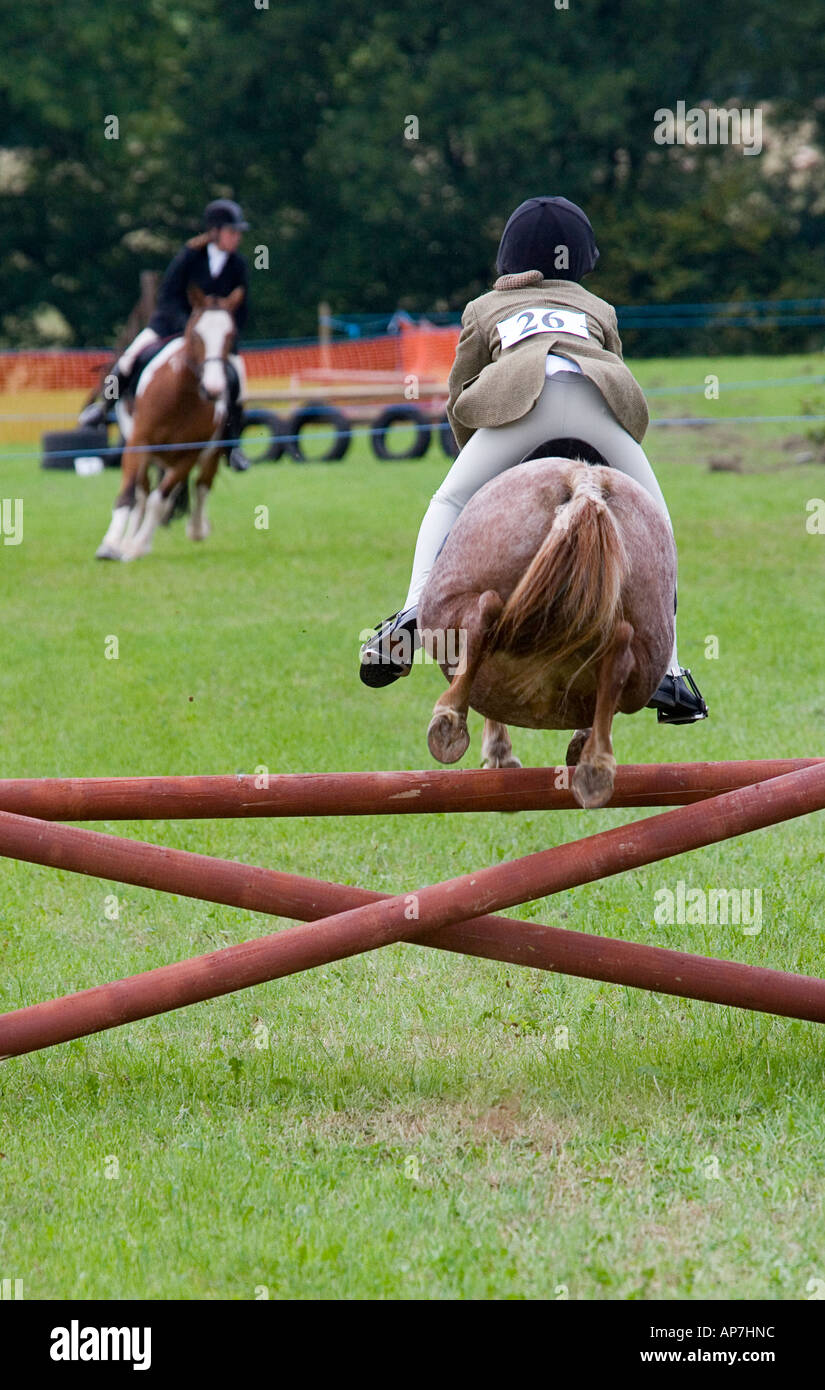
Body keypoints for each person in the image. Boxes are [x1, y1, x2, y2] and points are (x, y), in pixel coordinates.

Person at [359, 196, 707, 724]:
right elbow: (615, 366)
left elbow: (461, 397)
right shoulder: (599, 308)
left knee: (447, 499)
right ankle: (671, 675)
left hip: (523, 403)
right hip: (597, 402)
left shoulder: (482, 308)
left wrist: (482, 461)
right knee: (657, 522)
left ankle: (411, 613)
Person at [79, 199, 252, 471]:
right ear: (216, 231)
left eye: (238, 232)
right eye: (233, 231)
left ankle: (233, 447)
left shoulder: (238, 264)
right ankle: (103, 407)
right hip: (169, 327)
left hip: (214, 341)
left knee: (238, 382)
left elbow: (241, 307)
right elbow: (168, 296)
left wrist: (225, 335)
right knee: (127, 360)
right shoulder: (189, 256)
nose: (237, 237)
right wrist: (187, 328)